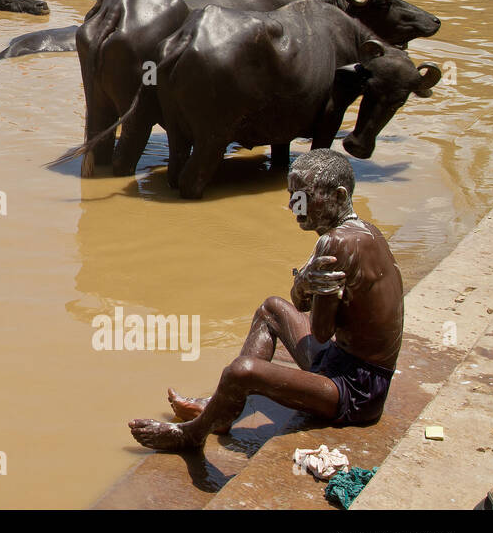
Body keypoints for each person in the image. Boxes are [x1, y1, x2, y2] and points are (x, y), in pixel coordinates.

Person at [129, 149, 404, 451]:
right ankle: (222, 409)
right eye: (292, 196)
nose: (294, 206)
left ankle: (193, 434)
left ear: (338, 196)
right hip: (341, 361)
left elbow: (322, 332)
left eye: (304, 197)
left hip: (356, 389)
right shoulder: (363, 230)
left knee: (242, 371)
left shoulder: (335, 242)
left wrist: (311, 288)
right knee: (271, 308)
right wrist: (303, 284)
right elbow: (299, 305)